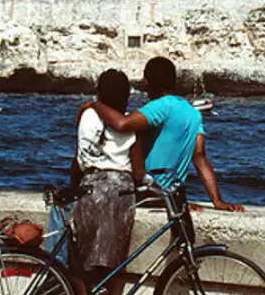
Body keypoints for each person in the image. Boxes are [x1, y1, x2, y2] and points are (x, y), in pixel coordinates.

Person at [91, 56, 243, 213]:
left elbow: (122, 124)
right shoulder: (193, 114)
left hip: (148, 194)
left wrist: (95, 105)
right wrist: (217, 200)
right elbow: (200, 157)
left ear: (147, 82)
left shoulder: (160, 107)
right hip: (173, 195)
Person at [68, 69, 144, 295]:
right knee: (108, 273)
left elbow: (79, 157)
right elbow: (137, 173)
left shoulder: (86, 115)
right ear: (125, 96)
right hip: (118, 196)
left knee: (81, 270)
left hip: (88, 191)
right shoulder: (132, 124)